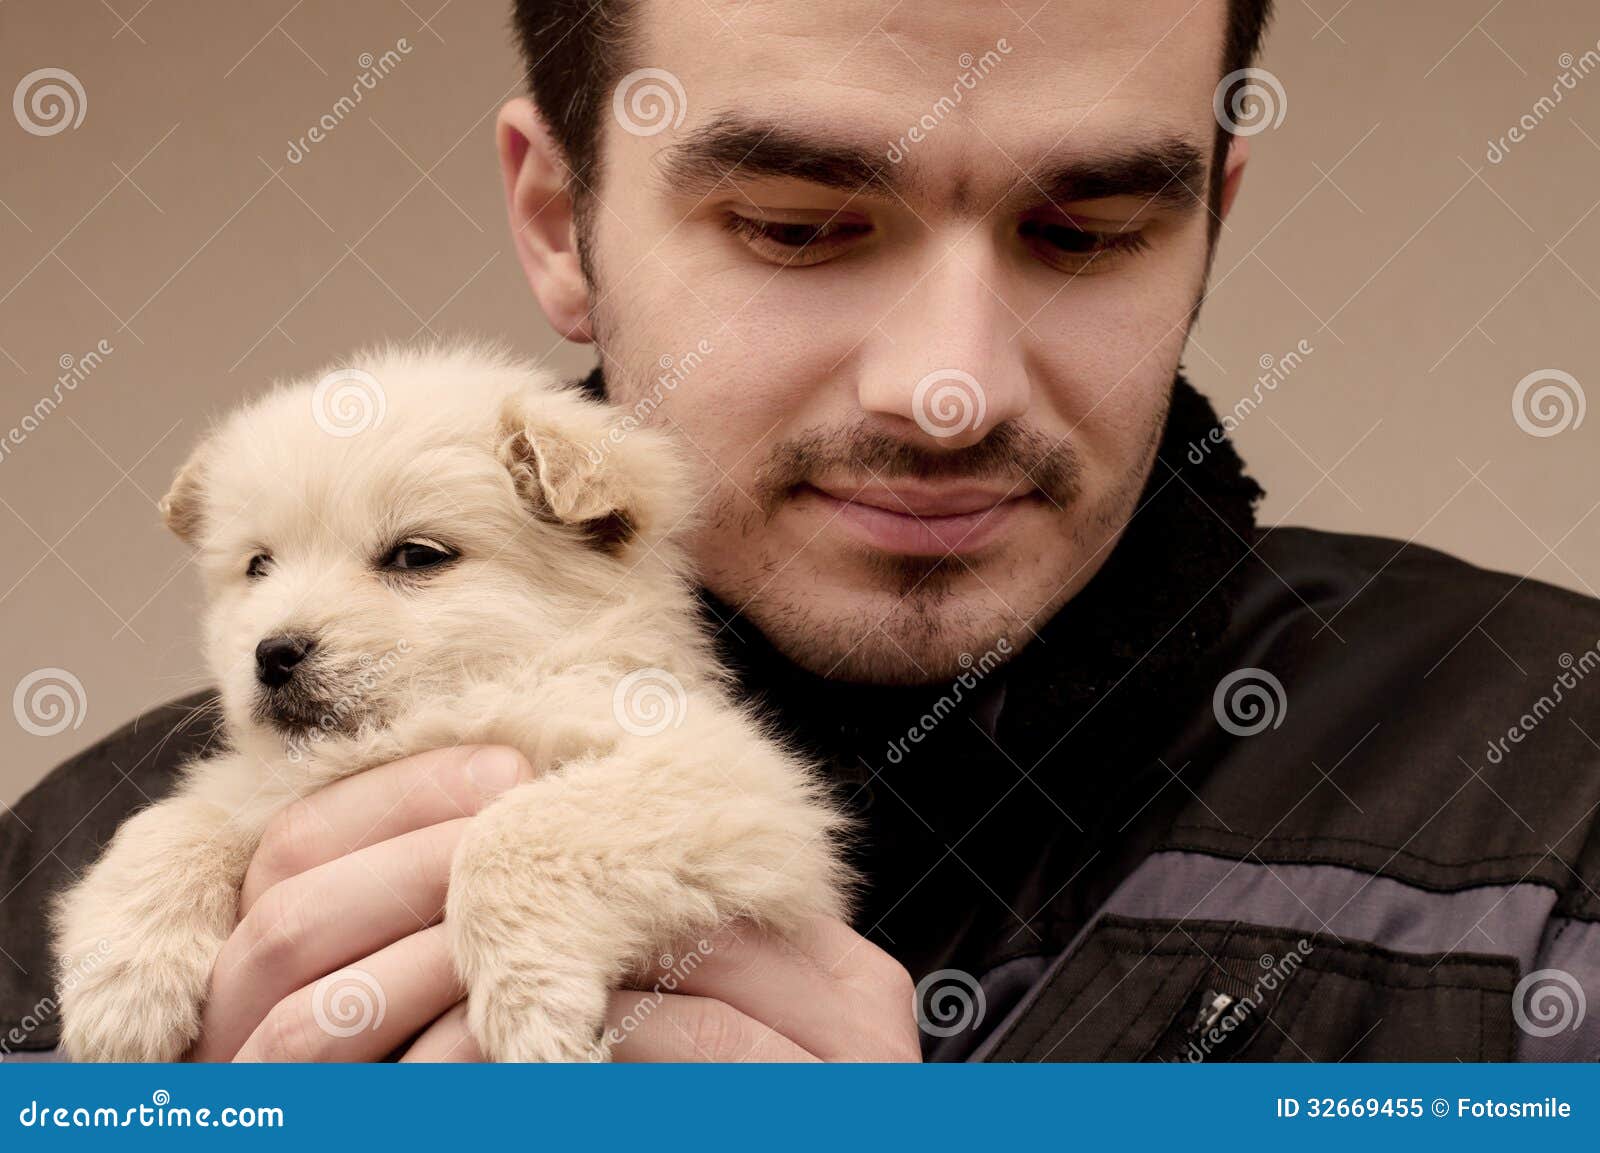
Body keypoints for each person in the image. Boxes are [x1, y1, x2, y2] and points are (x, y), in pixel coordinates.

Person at [5, 0, 1598, 1062]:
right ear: (563, 220)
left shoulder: (1555, 799)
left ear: (1211, 226)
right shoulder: (60, 867)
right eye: (798, 228)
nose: (948, 391)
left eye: (1090, 231)